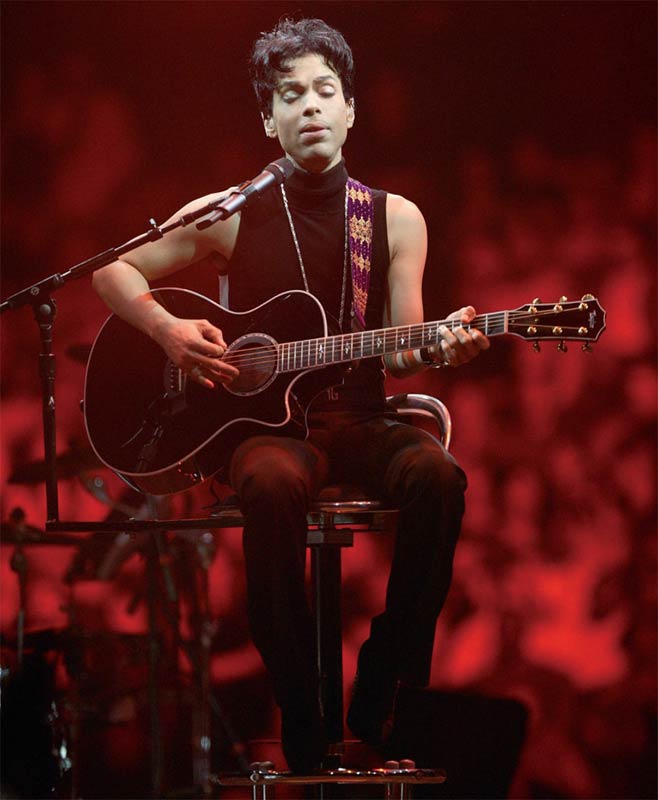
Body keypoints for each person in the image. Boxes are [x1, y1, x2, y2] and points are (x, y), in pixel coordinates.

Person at [92, 18, 490, 772]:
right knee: (271, 481)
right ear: (268, 119)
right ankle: (302, 705)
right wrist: (170, 331)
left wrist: (446, 345)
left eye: (324, 92)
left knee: (439, 477)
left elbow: (405, 350)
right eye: (290, 95)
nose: (309, 106)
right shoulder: (233, 210)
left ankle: (386, 679)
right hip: (270, 430)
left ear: (350, 111)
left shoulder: (395, 219)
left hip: (363, 417)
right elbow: (113, 272)